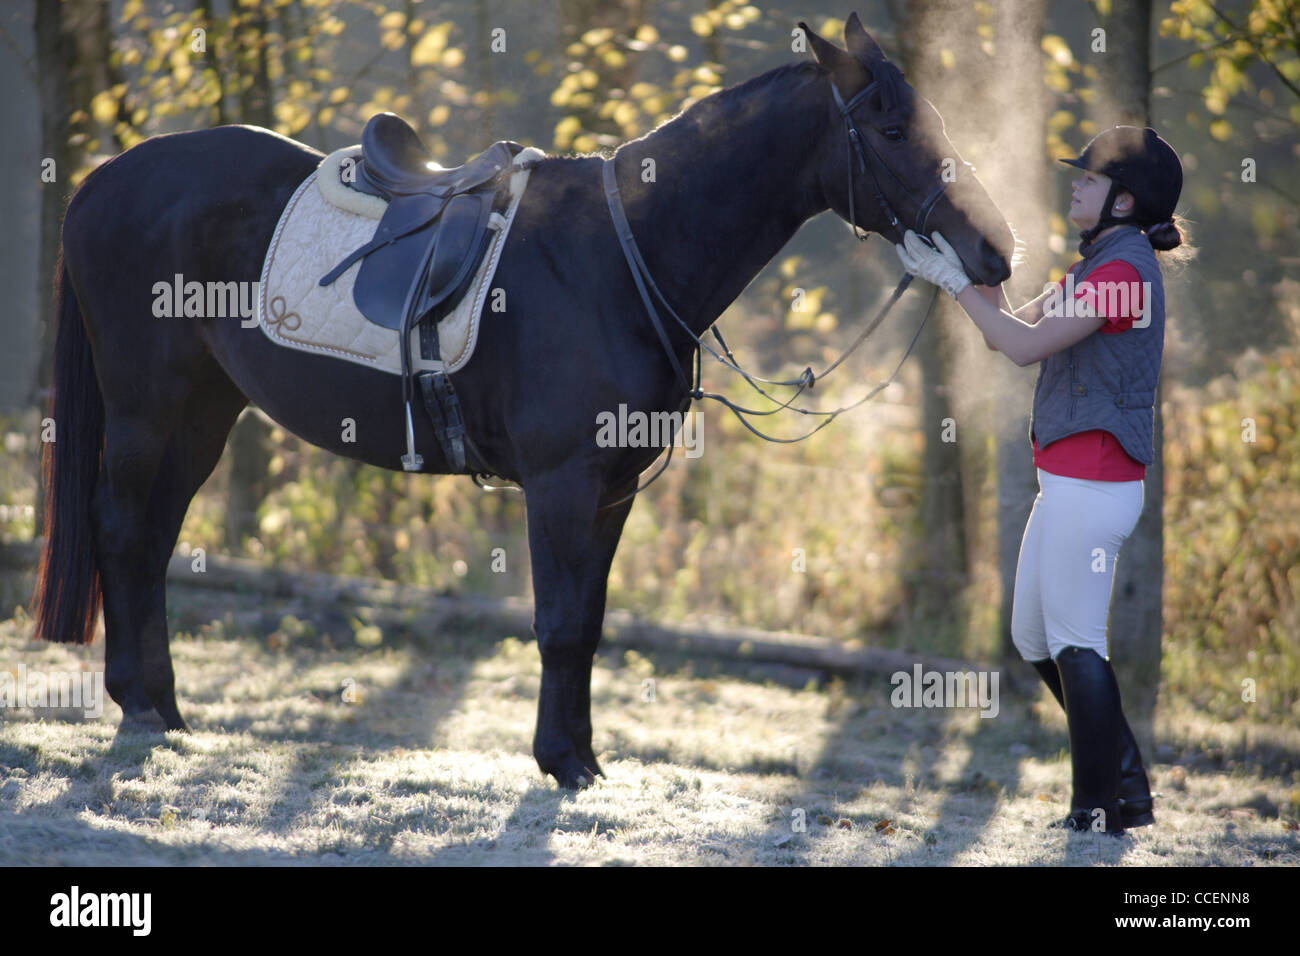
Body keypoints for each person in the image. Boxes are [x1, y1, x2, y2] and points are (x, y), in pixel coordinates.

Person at [896, 125, 1190, 836]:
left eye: (1089, 180)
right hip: (1066, 486)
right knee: (1035, 637)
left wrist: (953, 283)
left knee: (1077, 642)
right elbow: (1013, 327)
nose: (1076, 186)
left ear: (1124, 202)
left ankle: (1095, 809)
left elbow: (1022, 348)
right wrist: (962, 275)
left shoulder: (1122, 277)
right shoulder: (1098, 267)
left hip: (1092, 490)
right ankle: (1126, 785)